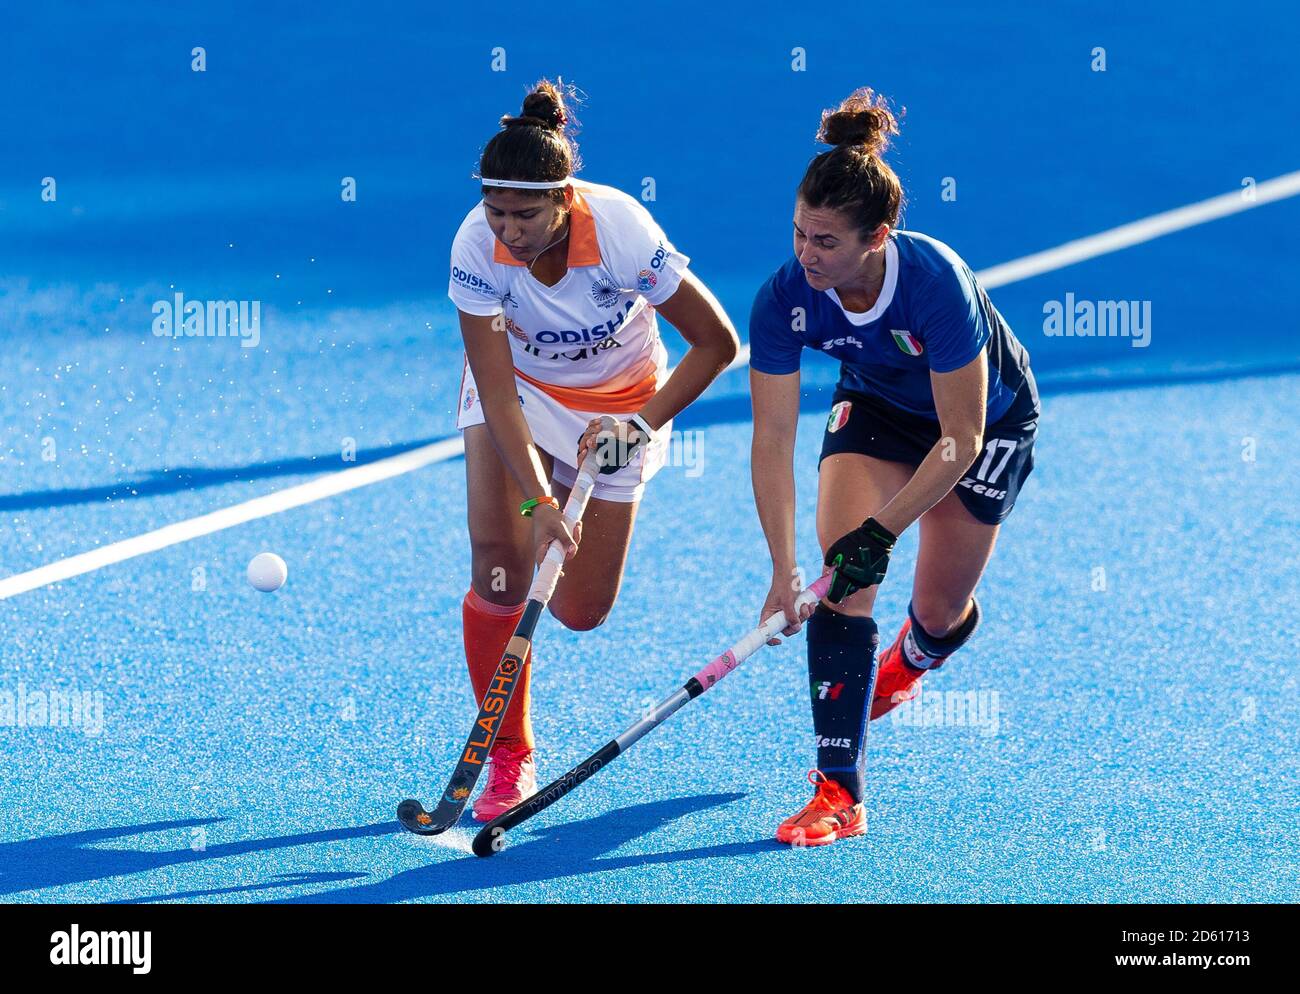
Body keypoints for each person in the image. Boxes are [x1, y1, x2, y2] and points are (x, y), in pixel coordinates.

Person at [748, 87, 1039, 846]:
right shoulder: (785, 300)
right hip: (876, 410)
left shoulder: (935, 285)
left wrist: (880, 530)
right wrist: (784, 570)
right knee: (843, 588)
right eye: (799, 234)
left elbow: (961, 436)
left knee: (939, 610)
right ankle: (838, 793)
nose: (807, 255)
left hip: (980, 426)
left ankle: (913, 656)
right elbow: (772, 441)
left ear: (878, 237)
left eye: (826, 242)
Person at [448, 80, 739, 820]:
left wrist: (638, 427)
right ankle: (507, 755)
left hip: (623, 408)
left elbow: (717, 343)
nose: (507, 230)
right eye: (496, 211)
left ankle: (511, 739)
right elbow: (496, 389)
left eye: (525, 214)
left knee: (579, 608)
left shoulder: (620, 231)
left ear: (564, 197)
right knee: (502, 565)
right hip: (521, 395)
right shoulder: (474, 247)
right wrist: (538, 503)